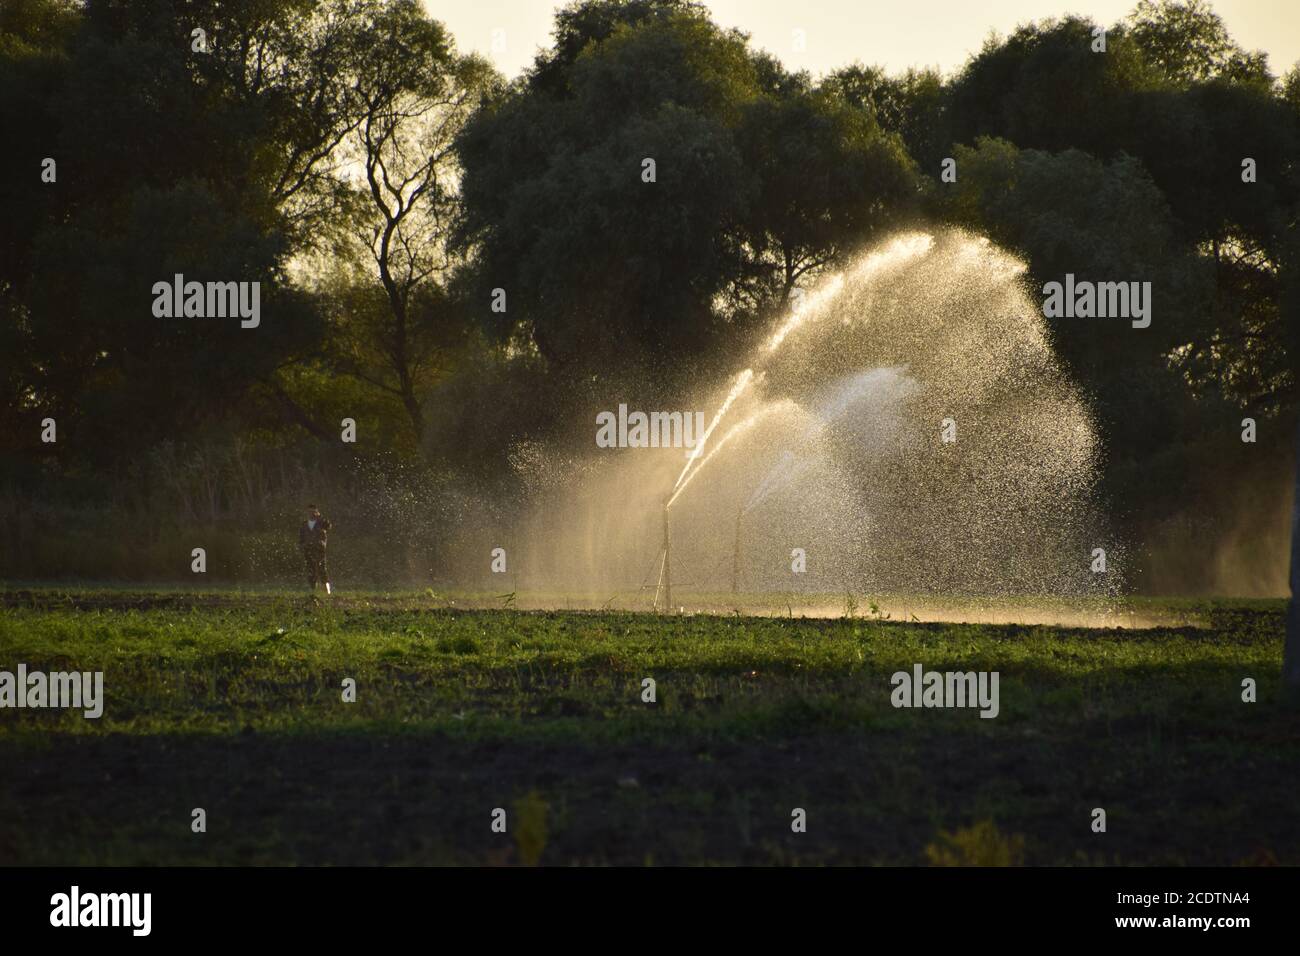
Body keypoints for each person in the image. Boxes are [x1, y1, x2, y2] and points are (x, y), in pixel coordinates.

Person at [299, 504, 333, 594]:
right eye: (309, 511)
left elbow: (329, 526)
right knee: (311, 569)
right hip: (308, 549)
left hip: (319, 548)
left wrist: (320, 517)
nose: (311, 513)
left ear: (316, 512)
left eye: (313, 511)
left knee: (322, 568)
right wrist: (302, 546)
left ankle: (326, 590)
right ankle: (312, 589)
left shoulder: (321, 523)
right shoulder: (304, 524)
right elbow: (301, 538)